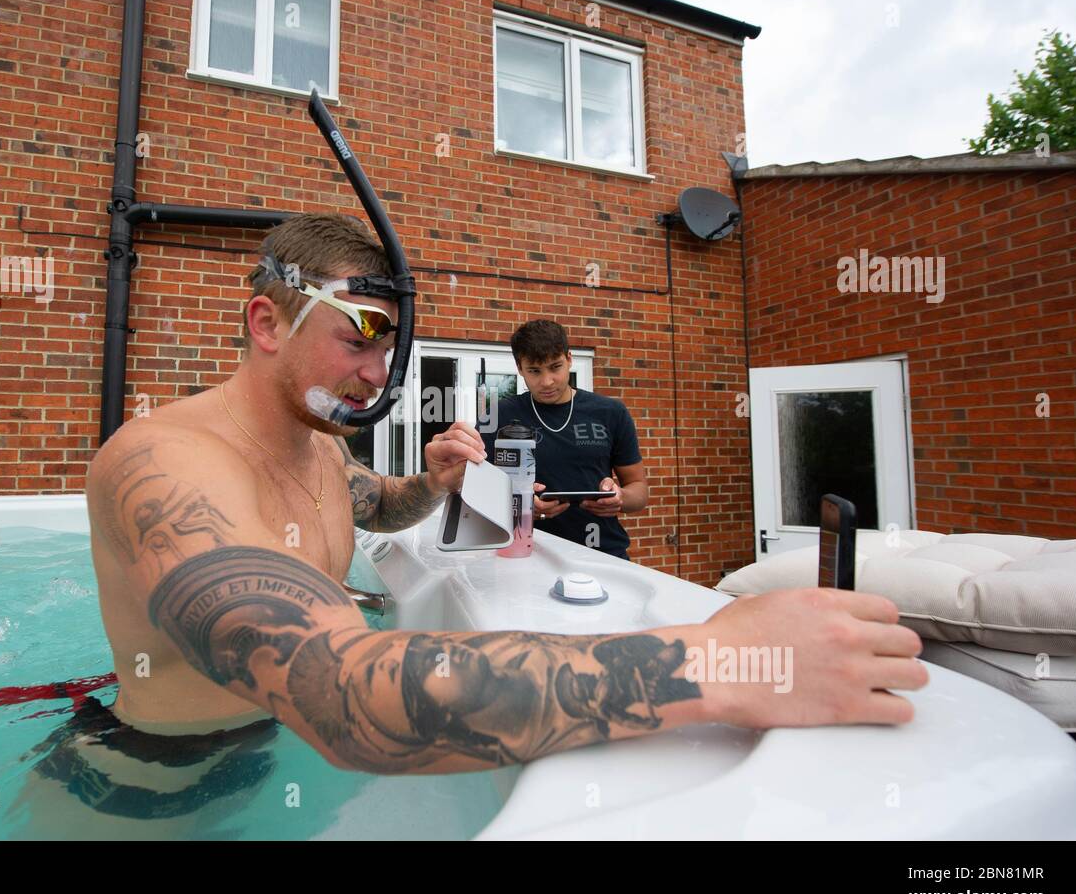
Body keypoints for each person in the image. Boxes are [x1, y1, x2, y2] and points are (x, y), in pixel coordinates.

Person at [83, 212, 928, 777]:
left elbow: (380, 504)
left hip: (267, 761)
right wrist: (717, 660)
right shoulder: (164, 463)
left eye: (392, 351)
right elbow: (341, 695)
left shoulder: (319, 454)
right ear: (268, 323)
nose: (377, 374)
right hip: (148, 789)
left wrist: (437, 482)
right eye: (359, 339)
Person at [481, 319, 645, 561]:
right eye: (534, 371)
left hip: (604, 553)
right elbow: (476, 491)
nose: (547, 381)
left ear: (569, 359)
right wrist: (520, 504)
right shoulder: (498, 415)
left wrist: (619, 498)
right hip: (526, 554)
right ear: (519, 367)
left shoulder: (610, 412)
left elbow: (639, 490)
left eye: (555, 367)